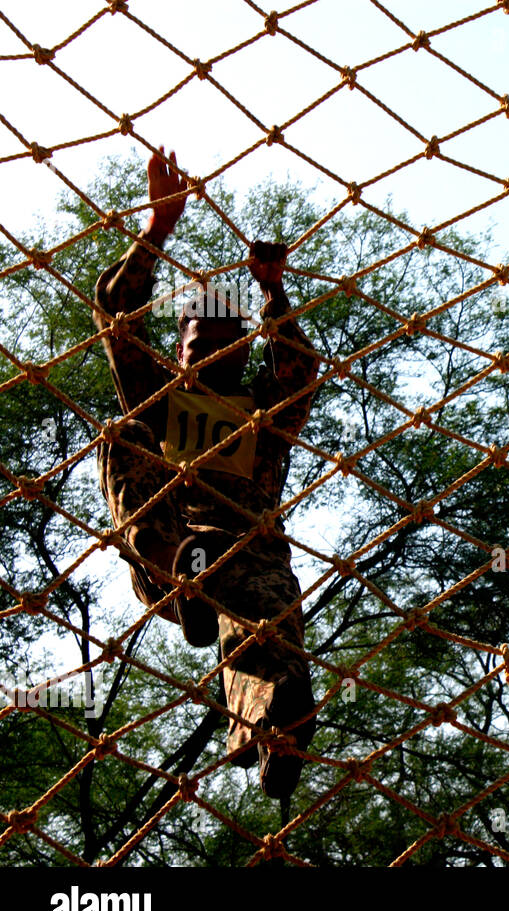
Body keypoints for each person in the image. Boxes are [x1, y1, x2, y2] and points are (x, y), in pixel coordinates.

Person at [93, 147, 319, 799]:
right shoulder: (160, 399)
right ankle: (179, 572)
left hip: (250, 557)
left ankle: (275, 730)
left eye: (221, 333)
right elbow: (115, 315)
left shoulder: (260, 419)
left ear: (242, 345)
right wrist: (157, 229)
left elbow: (301, 364)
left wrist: (273, 289)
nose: (204, 341)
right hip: (170, 546)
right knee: (123, 435)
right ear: (178, 344)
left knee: (273, 632)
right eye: (194, 331)